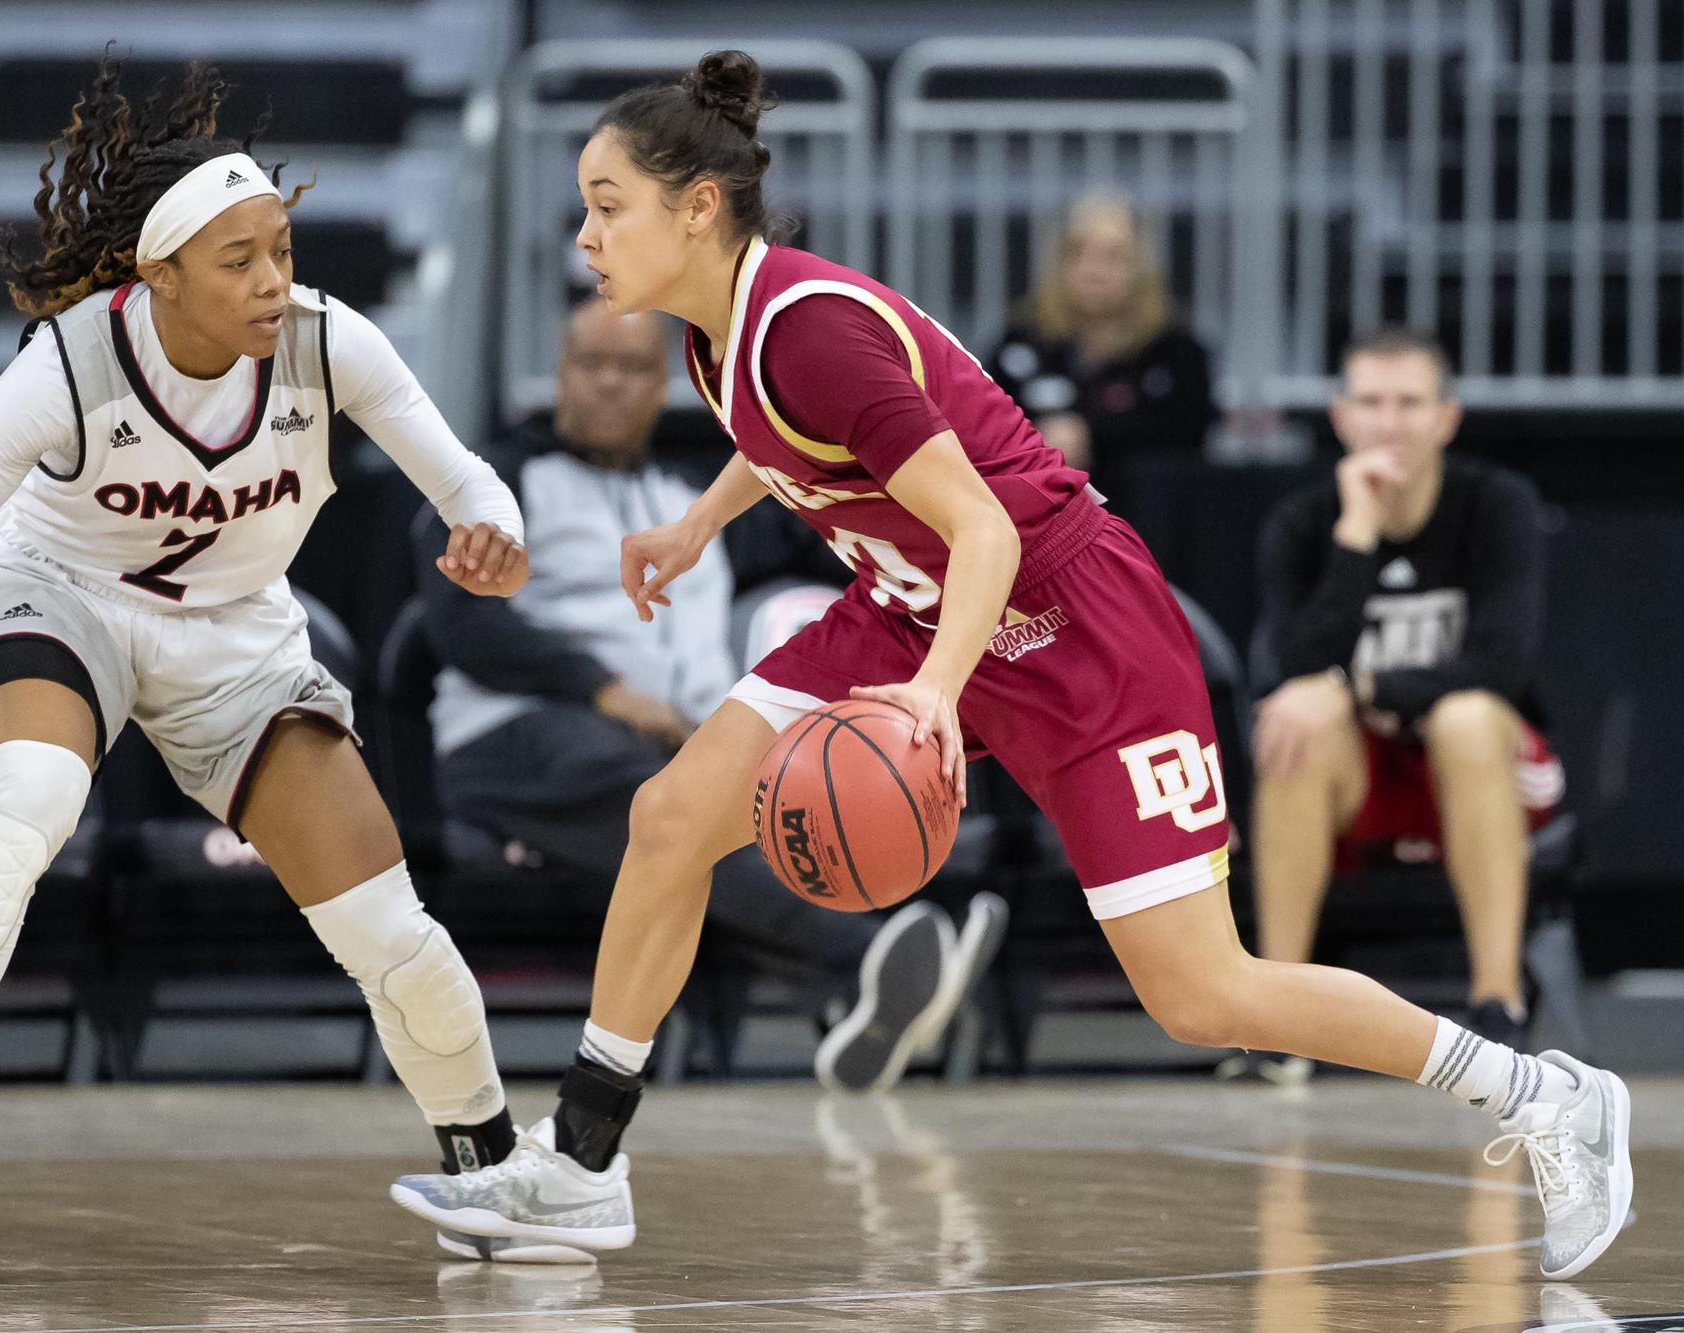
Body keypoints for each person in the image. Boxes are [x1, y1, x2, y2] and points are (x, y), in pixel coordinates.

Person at [387, 51, 1631, 1280]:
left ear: (696, 206)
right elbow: (789, 444)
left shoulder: (805, 329)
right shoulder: (722, 334)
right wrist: (698, 521)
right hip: (911, 601)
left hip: (1071, 626)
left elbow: (982, 523)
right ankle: (584, 1162)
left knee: (1203, 994)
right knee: (670, 815)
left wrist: (931, 693)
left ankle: (1541, 1093)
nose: (585, 235)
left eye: (607, 205)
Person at [0, 55, 546, 1260]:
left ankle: (496, 1176)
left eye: (282, 251)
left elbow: (474, 485)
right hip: (55, 592)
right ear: (160, 276)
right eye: (238, 260)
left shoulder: (325, 346)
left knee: (387, 926)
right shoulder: (67, 365)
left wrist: (497, 541)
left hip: (236, 631)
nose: (272, 280)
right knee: (31, 796)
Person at [418, 295, 1008, 1093]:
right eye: (590, 365)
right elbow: (459, 625)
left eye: (631, 369)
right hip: (518, 739)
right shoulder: (507, 482)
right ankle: (870, 954)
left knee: (777, 785)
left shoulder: (692, 498)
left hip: (669, 738)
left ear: (662, 385)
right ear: (557, 375)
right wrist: (602, 690)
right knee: (658, 796)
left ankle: (870, 983)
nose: (609, 386)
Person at [1240, 326, 1564, 1084]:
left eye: (1411, 403)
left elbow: (1504, 660)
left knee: (1469, 715)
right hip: (1357, 777)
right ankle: (1276, 1021)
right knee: (1294, 725)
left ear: (1446, 418)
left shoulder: (1497, 505)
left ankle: (1498, 1003)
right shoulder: (1303, 522)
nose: (1390, 421)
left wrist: (1360, 689)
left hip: (1490, 770)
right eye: (1373, 402)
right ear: (1341, 415)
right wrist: (1357, 532)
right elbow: (1293, 671)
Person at [987, 191, 1215, 486]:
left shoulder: (1176, 353)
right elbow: (984, 424)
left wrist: (1090, 434)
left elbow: (1186, 435)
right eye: (1078, 252)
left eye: (1114, 255)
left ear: (1141, 266)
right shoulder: (1020, 345)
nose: (1094, 270)